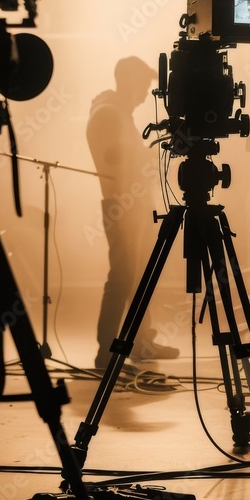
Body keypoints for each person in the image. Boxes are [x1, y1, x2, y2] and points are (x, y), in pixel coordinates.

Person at [87, 56, 179, 368]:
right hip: (122, 206)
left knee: (138, 275)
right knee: (123, 278)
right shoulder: (110, 114)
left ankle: (140, 342)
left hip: (131, 204)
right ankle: (107, 353)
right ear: (128, 81)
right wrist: (150, 158)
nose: (145, 93)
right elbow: (118, 162)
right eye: (142, 84)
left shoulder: (116, 113)